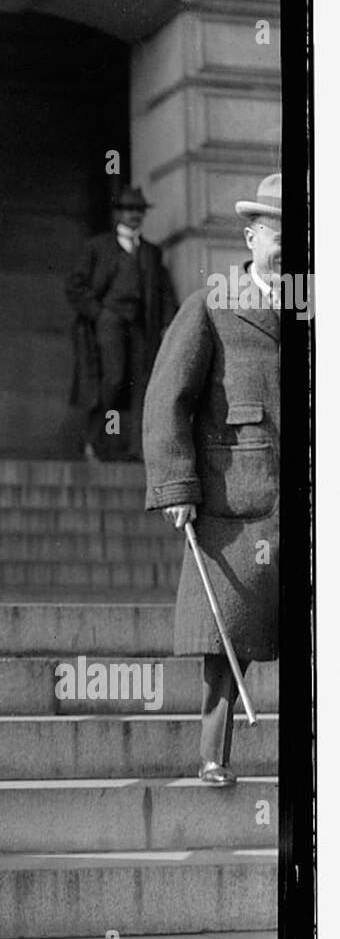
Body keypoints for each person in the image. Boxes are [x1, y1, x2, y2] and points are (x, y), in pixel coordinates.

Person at [142, 173, 281, 786]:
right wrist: (177, 486)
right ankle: (213, 755)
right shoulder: (212, 305)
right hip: (237, 500)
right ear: (252, 235)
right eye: (280, 231)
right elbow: (167, 399)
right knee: (225, 638)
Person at [66, 184, 178, 461]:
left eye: (138, 210)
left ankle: (137, 448)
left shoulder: (151, 252)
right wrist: (98, 313)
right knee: (112, 378)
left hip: (141, 325)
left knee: (144, 382)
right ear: (118, 214)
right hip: (109, 322)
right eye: (129, 210)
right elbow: (74, 285)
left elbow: (164, 292)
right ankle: (92, 441)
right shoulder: (98, 246)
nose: (134, 215)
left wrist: (167, 324)